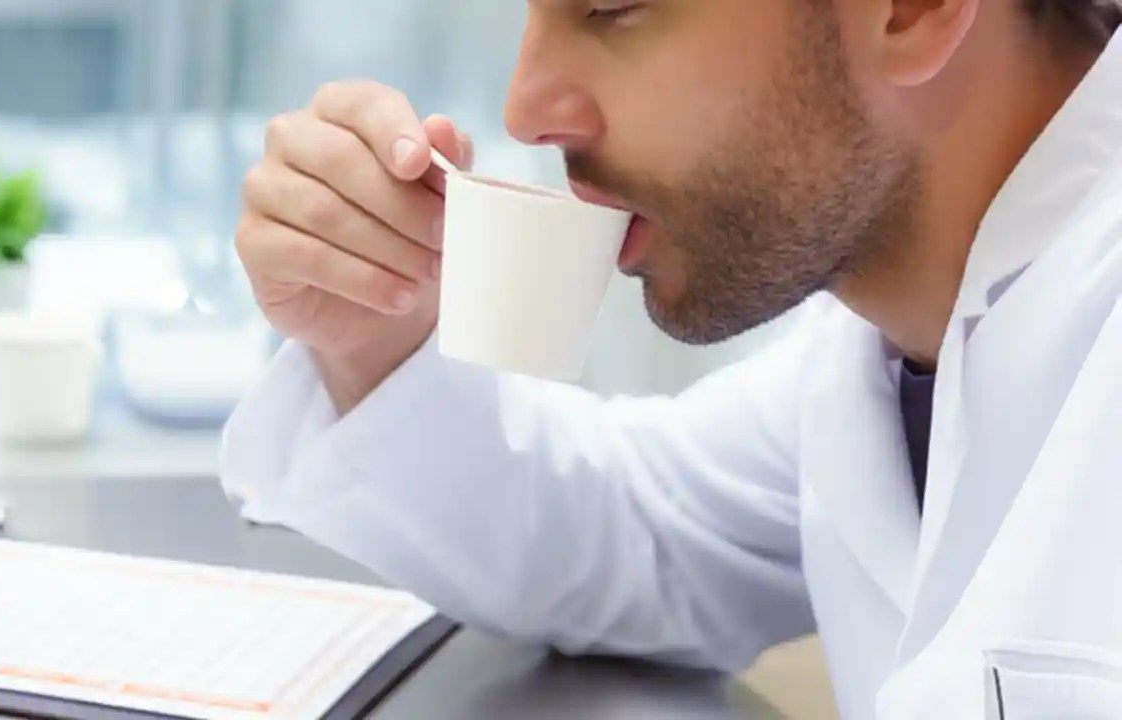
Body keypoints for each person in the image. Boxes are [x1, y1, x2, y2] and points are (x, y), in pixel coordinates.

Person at [224, 1, 1122, 717]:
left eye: (613, 10)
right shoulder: (879, 342)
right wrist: (373, 333)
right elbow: (639, 534)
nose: (526, 110)